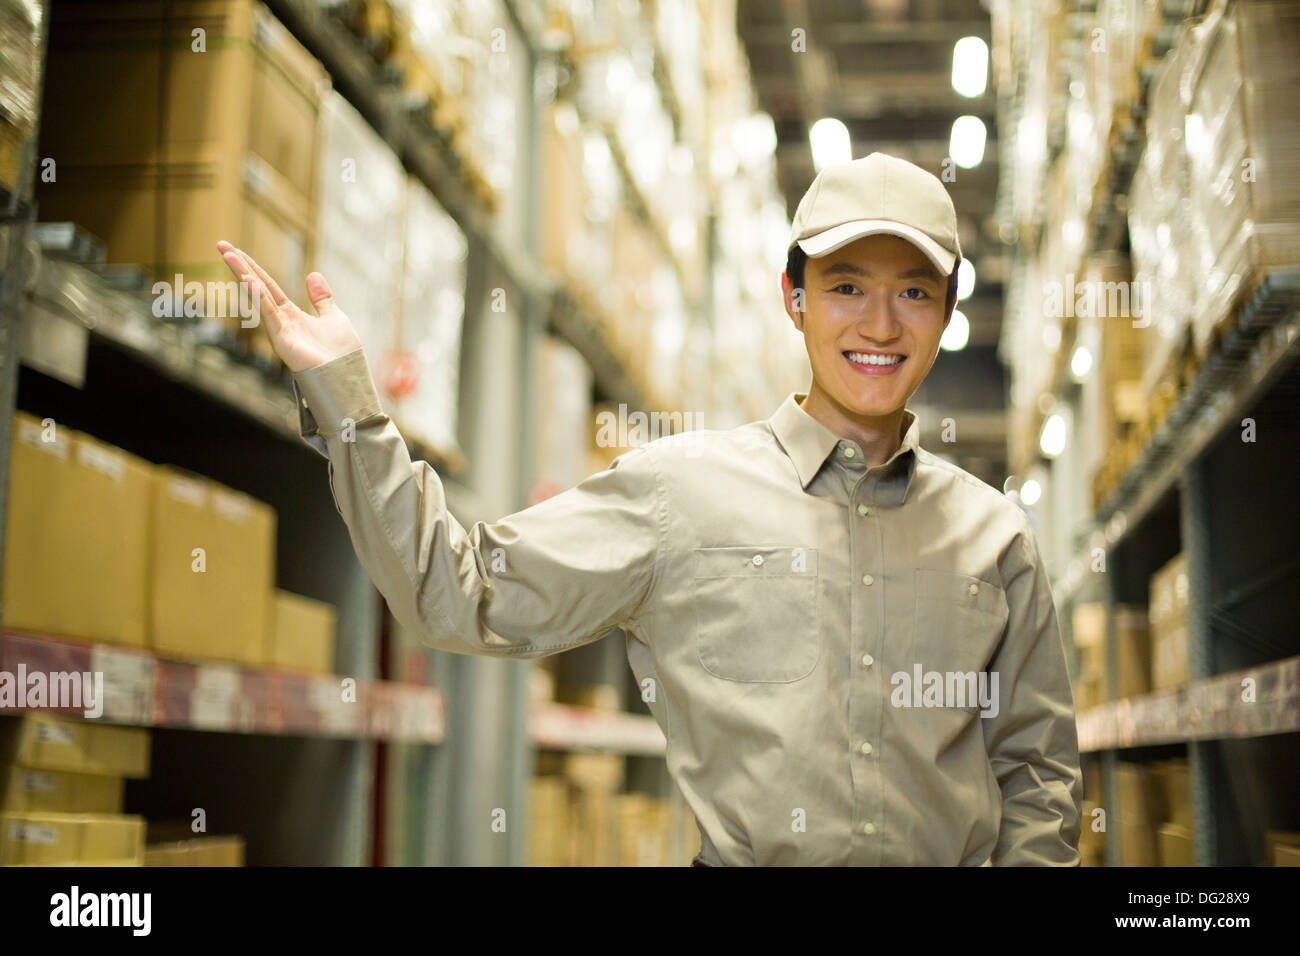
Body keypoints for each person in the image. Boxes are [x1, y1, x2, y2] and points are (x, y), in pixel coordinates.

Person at [217, 151, 1082, 866]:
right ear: (795, 298)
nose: (881, 325)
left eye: (915, 292)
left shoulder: (994, 535)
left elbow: (1037, 774)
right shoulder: (681, 494)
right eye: (847, 287)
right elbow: (459, 589)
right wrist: (349, 403)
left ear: (947, 310)